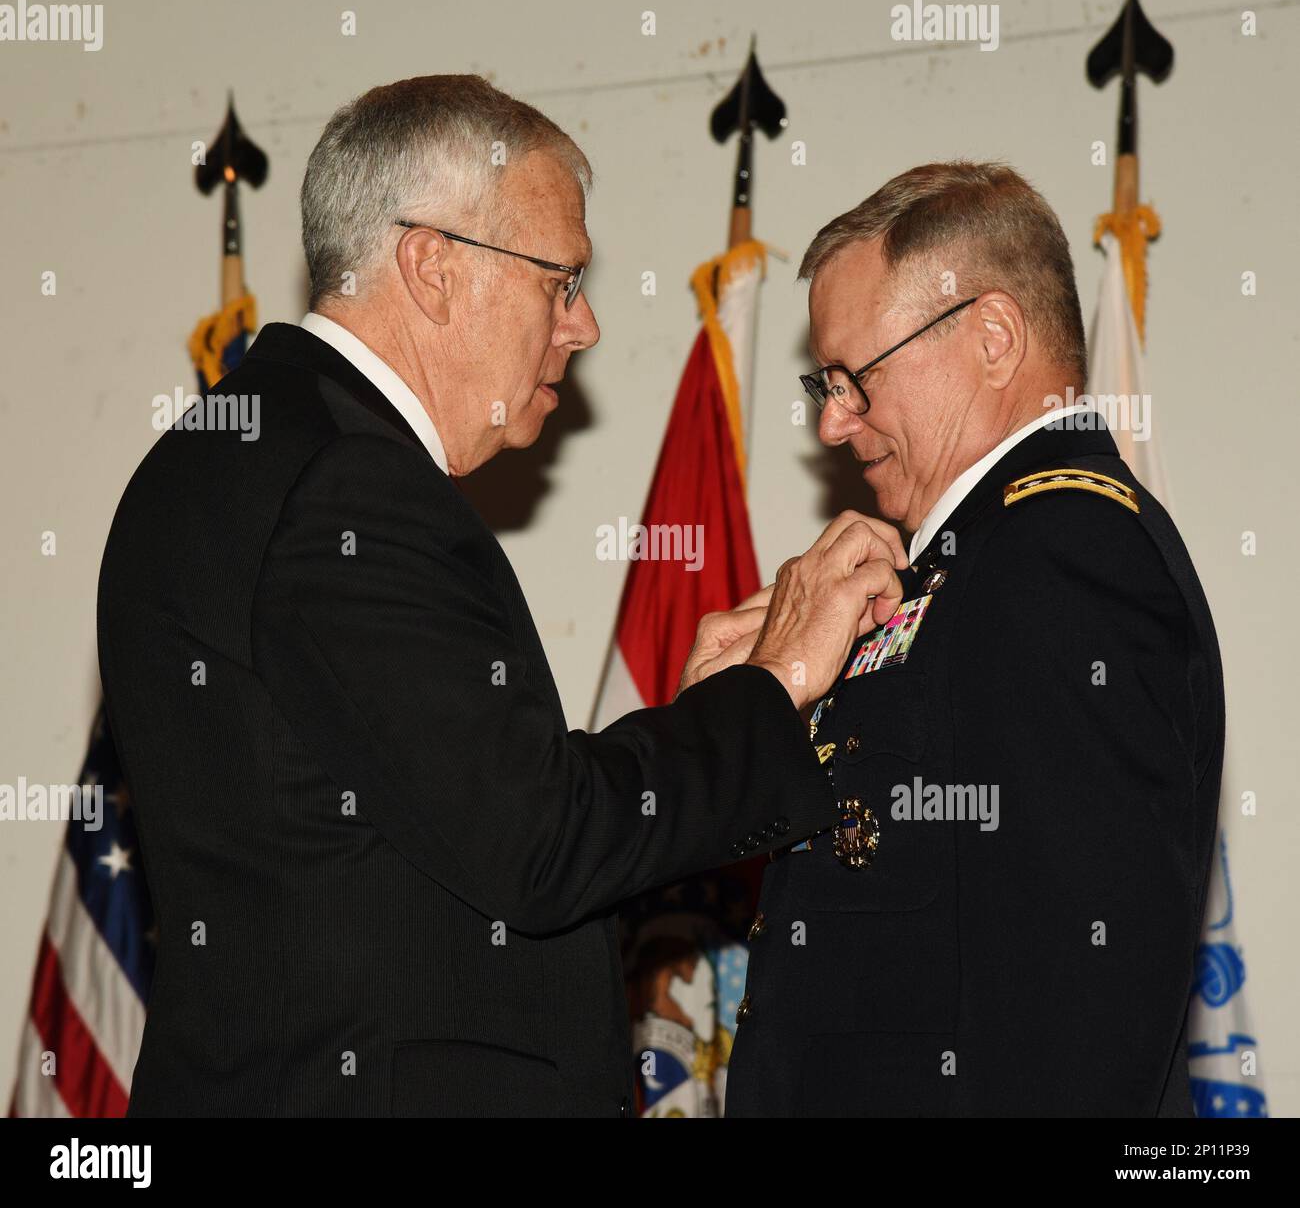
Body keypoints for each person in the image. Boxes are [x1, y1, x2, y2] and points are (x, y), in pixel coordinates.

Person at [96, 75, 905, 1117]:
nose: (585, 325)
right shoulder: (348, 482)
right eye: (559, 280)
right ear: (432, 267)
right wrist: (771, 685)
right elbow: (538, 846)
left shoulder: (233, 450)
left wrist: (701, 722)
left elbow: (452, 834)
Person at [726, 161, 1224, 1117]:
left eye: (855, 378)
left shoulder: (1061, 553)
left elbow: (1077, 1005)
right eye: (822, 383)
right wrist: (738, 720)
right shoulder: (967, 565)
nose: (834, 422)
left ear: (994, 337)